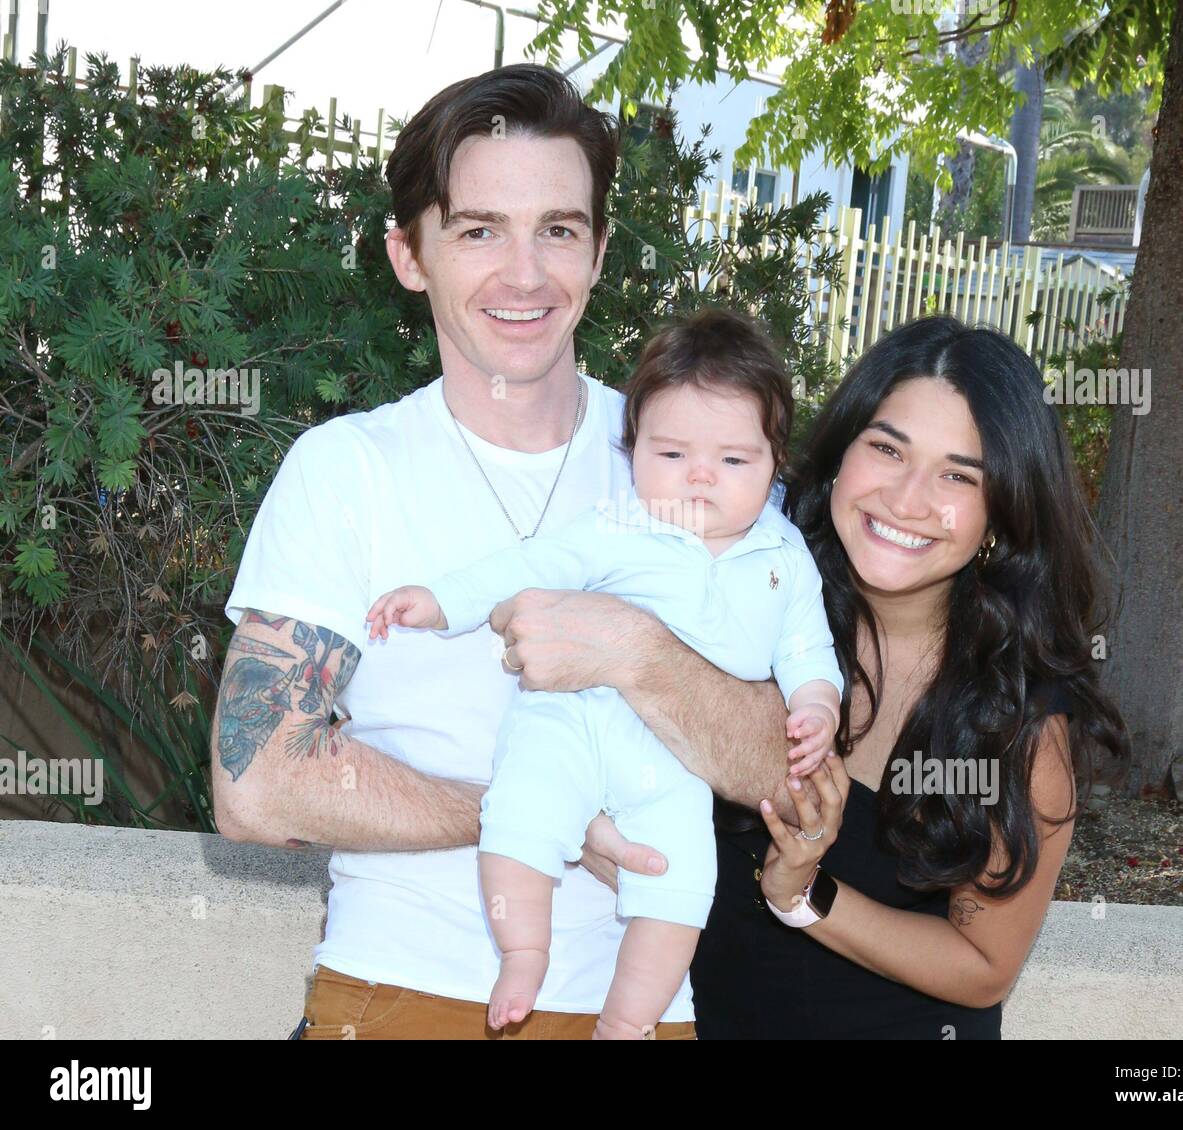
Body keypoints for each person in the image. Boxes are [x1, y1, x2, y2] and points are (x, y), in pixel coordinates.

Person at [211, 63, 818, 1040]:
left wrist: (636, 650)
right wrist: (542, 817)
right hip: (399, 989)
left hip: (638, 1010)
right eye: (480, 228)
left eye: (558, 230)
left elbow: (783, 771)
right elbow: (258, 778)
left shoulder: (699, 468)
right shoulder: (346, 470)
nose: (525, 272)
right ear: (408, 254)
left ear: (599, 249)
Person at [364, 309, 843, 1038]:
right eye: (672, 454)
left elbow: (809, 654)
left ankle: (626, 1020)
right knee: (520, 813)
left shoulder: (785, 557)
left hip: (675, 759)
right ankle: (524, 951)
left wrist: (817, 707)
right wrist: (439, 602)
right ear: (633, 448)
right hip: (573, 716)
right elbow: (526, 568)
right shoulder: (618, 523)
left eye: (735, 461)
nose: (701, 478)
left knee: (682, 885)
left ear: (776, 462)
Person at [689, 315, 1130, 1039]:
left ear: (1001, 511)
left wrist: (803, 895)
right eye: (887, 448)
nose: (907, 499)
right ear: (842, 453)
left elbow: (983, 965)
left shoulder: (1017, 716)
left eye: (959, 474)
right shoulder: (748, 592)